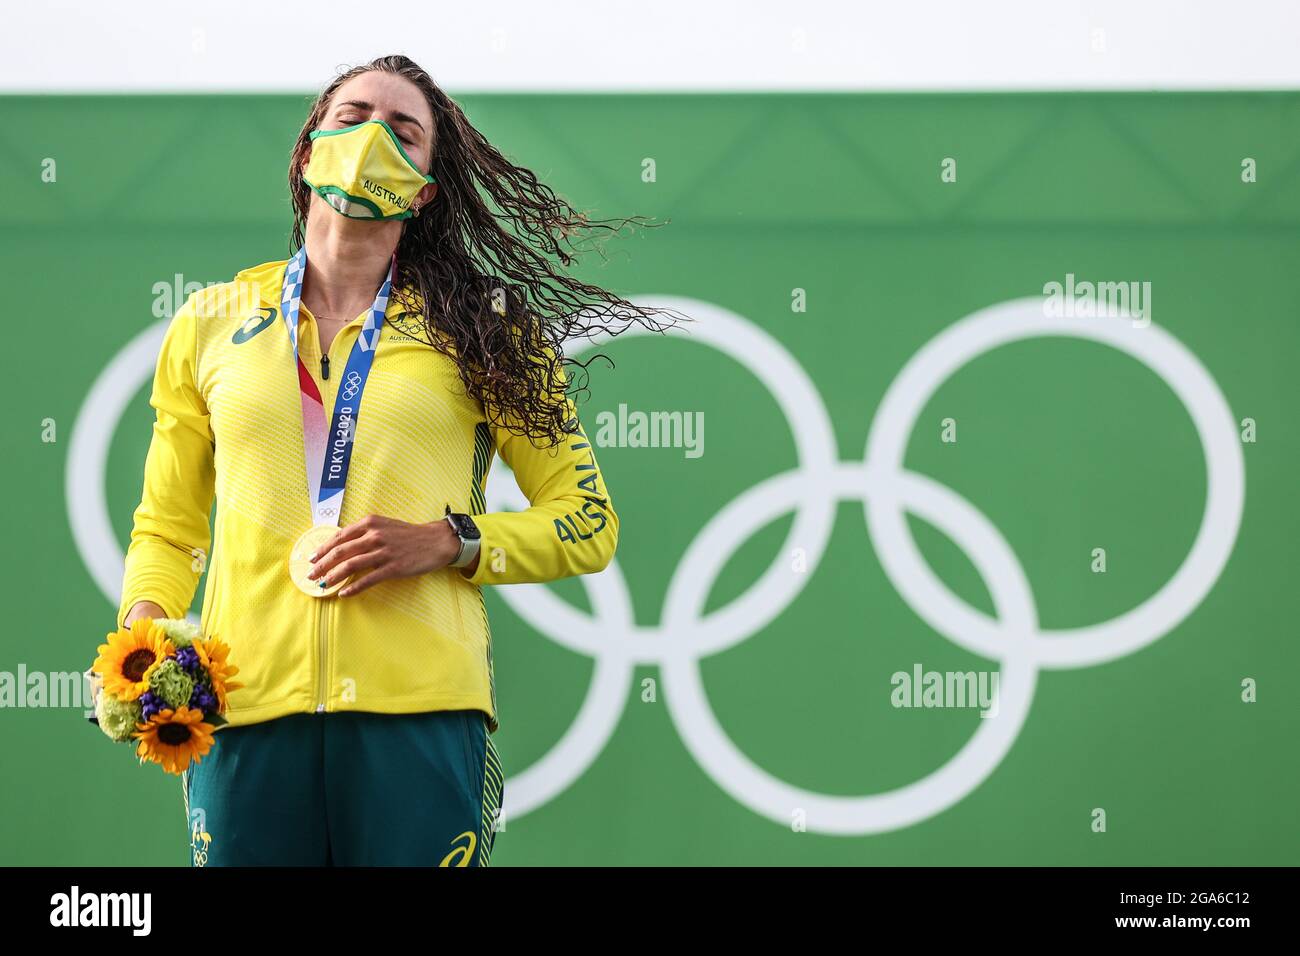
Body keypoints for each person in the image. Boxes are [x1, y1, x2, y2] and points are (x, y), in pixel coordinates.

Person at [113, 54, 673, 866]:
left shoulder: (486, 328)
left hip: (421, 716)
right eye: (351, 117)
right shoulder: (210, 321)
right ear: (308, 153)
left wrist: (447, 541)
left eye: (403, 130)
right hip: (244, 712)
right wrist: (145, 636)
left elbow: (587, 524)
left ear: (426, 189)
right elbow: (167, 525)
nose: (372, 135)